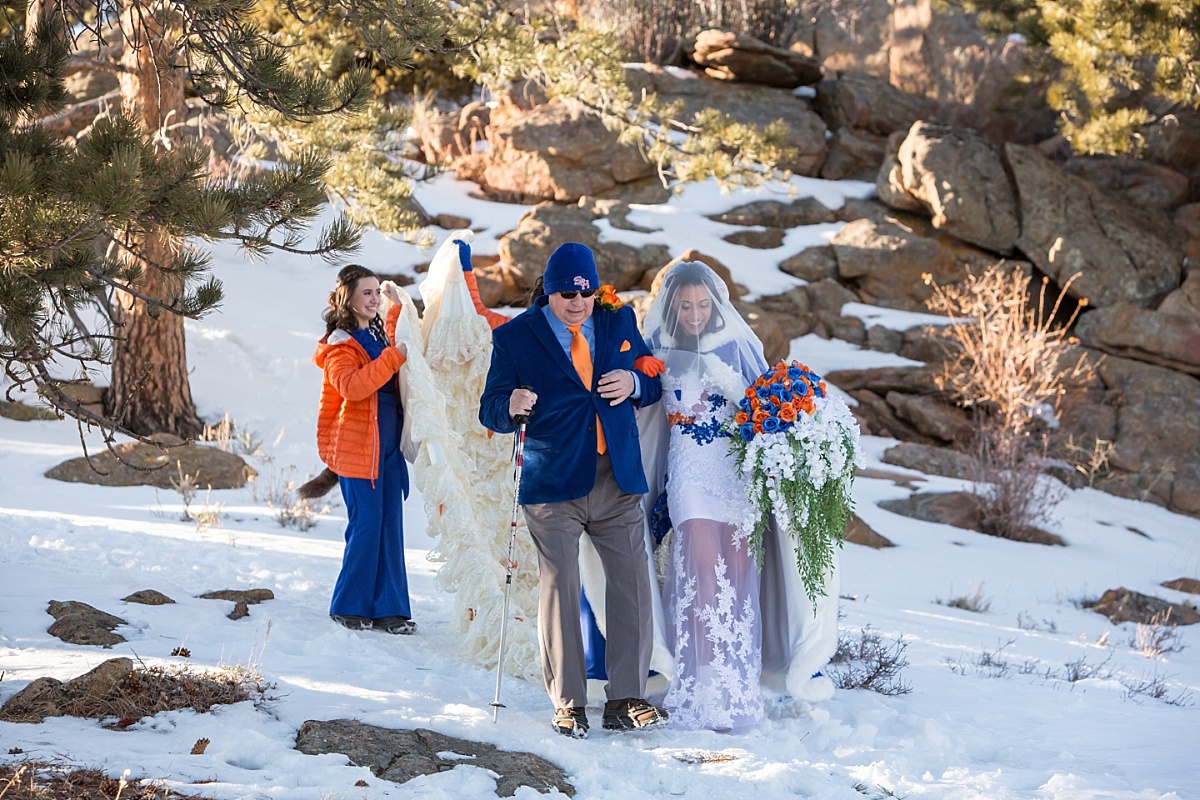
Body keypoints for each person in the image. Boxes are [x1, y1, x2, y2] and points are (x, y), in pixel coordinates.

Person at [479, 242, 668, 739]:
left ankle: (627, 697)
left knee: (631, 583)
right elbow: (490, 407)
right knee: (561, 584)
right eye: (567, 294)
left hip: (615, 478)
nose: (578, 303)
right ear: (549, 291)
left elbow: (652, 377)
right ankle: (568, 701)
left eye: (585, 293)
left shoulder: (617, 320)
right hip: (553, 483)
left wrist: (632, 381)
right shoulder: (517, 337)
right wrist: (511, 404)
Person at [640, 260, 837, 733]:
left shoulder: (735, 346)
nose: (694, 313)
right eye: (685, 304)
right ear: (671, 305)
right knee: (699, 573)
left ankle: (734, 688)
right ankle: (696, 688)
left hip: (733, 478)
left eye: (703, 304)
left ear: (716, 304)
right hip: (688, 474)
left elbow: (763, 404)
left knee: (736, 575)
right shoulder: (656, 350)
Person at [313, 264, 416, 635]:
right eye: (367, 293)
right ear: (349, 298)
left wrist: (395, 308)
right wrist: (393, 358)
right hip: (359, 448)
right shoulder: (340, 344)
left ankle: (391, 610)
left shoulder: (376, 335)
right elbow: (353, 387)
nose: (373, 299)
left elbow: (396, 342)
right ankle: (349, 605)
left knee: (390, 525)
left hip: (388, 447)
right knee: (367, 525)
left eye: (376, 292)